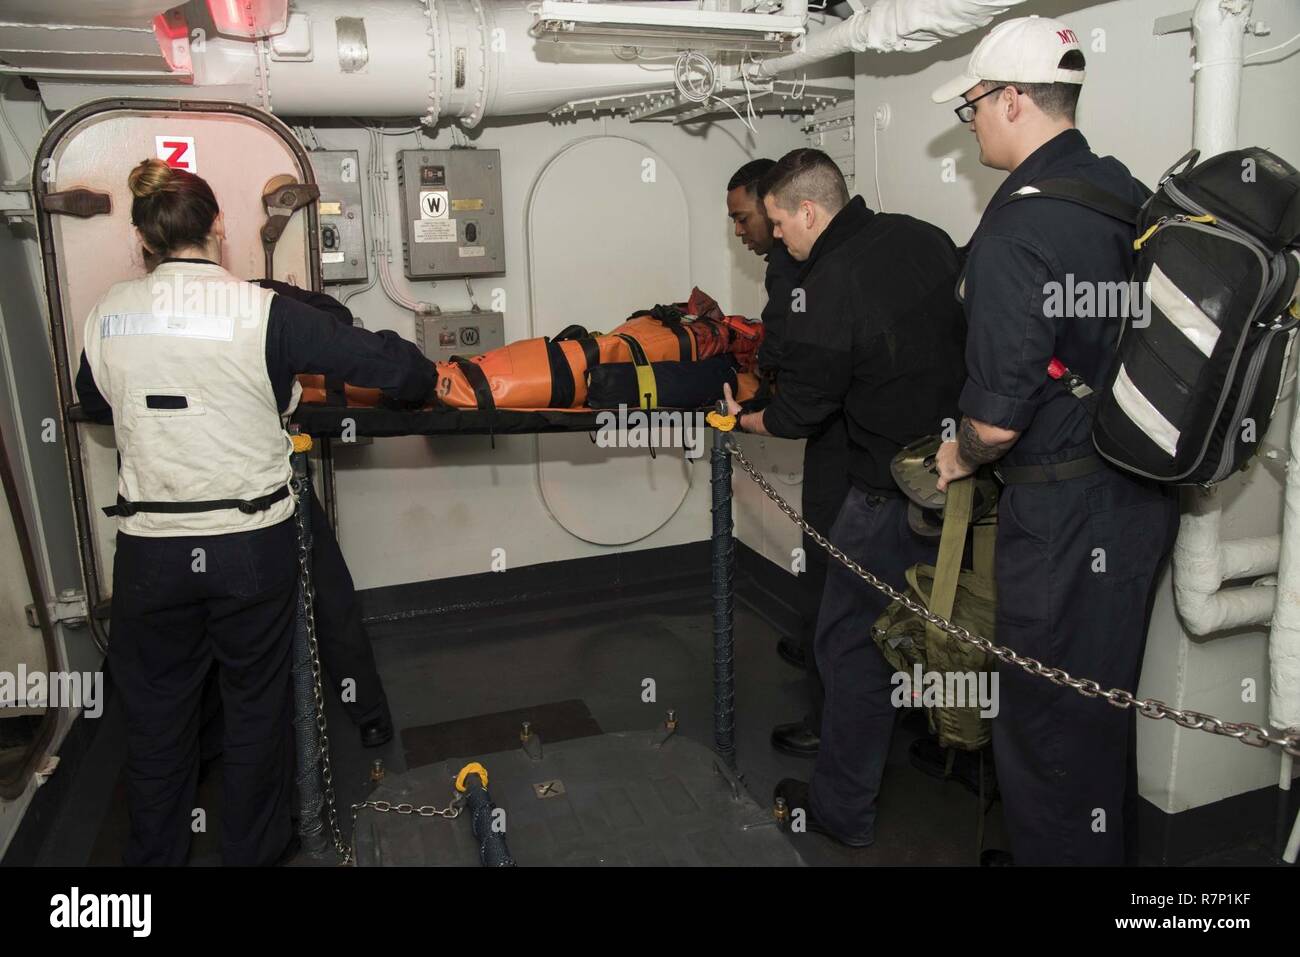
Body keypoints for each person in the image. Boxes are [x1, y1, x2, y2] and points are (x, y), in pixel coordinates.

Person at [75, 158, 437, 865]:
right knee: (254, 709)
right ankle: (254, 852)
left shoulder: (107, 313)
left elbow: (95, 402)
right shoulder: (263, 311)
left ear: (143, 242)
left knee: (155, 723)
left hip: (150, 550)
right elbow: (394, 369)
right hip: (249, 544)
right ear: (218, 228)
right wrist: (417, 370)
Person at [931, 15, 1179, 864]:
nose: (971, 132)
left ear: (1008, 101)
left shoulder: (1016, 231)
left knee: (1043, 727)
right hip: (1137, 498)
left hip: (1065, 517)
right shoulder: (1123, 192)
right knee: (1099, 715)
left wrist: (958, 455)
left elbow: (997, 420)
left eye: (971, 111)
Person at [723, 148, 967, 846]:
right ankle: (944, 748)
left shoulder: (830, 279)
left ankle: (841, 809)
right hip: (957, 475)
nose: (782, 242)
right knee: (943, 629)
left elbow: (802, 410)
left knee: (848, 645)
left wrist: (744, 419)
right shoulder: (923, 237)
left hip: (886, 489)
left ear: (808, 210)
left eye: (779, 224)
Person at [727, 158, 850, 759]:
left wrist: (760, 407)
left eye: (748, 218)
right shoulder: (876, 248)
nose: (751, 232)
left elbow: (794, 348)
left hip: (842, 443)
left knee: (830, 571)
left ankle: (829, 720)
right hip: (863, 443)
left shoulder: (801, 269)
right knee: (830, 573)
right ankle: (814, 649)